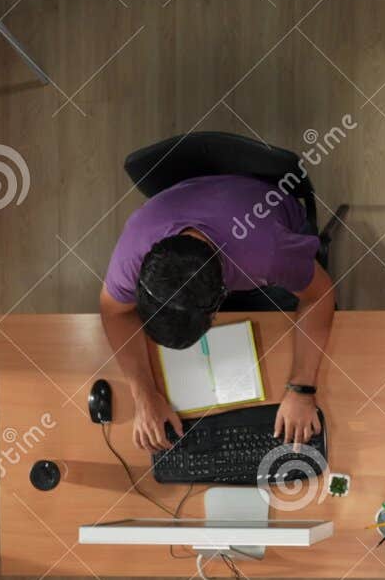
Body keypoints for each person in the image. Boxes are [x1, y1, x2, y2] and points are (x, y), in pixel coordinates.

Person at [99, 175, 334, 451]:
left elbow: (320, 295)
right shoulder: (132, 257)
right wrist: (143, 394)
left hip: (268, 218)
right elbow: (113, 312)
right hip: (212, 211)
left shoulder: (267, 254)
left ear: (222, 299)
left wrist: (301, 388)